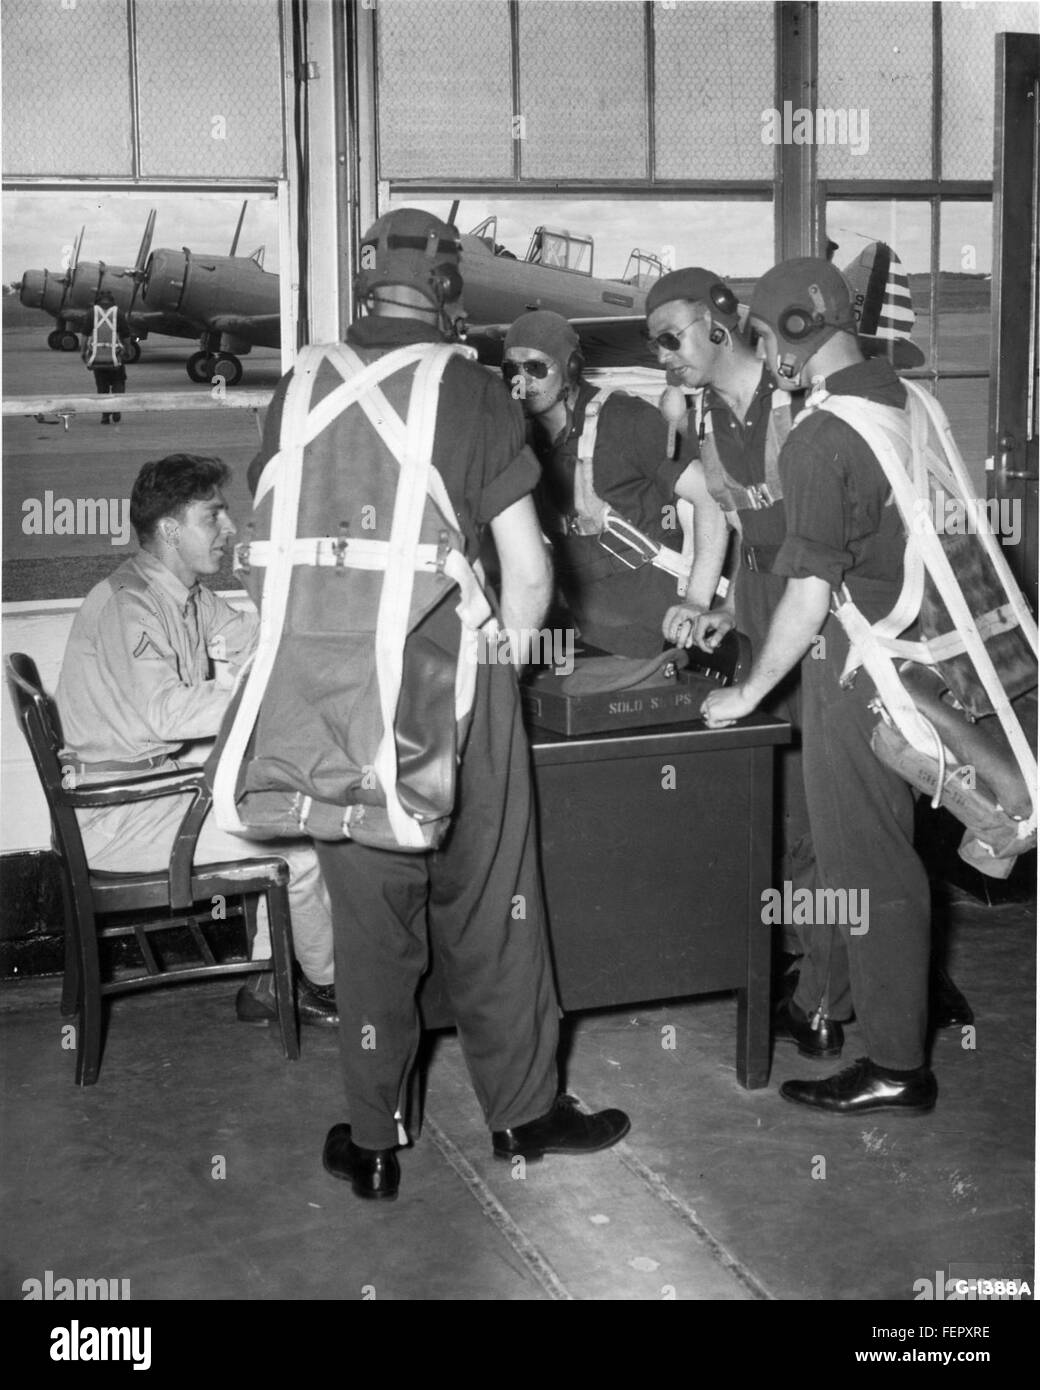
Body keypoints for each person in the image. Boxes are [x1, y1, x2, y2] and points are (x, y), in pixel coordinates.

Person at [246, 209, 629, 1201]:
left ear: (362, 284)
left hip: (325, 694)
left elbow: (271, 554)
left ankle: (374, 1141)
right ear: (451, 289)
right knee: (494, 909)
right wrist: (499, 649)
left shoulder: (298, 385)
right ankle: (522, 1118)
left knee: (372, 933)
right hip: (459, 691)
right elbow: (530, 574)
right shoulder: (469, 391)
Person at [700, 256, 937, 1114]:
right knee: (886, 857)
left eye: (766, 334)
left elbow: (807, 595)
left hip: (852, 667)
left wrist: (749, 692)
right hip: (908, 657)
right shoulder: (900, 404)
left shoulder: (818, 438)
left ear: (797, 329)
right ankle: (894, 1021)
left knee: (864, 866)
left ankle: (898, 1064)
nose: (765, 351)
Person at [55, 454, 337, 1026]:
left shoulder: (181, 594)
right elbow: (165, 713)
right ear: (170, 530)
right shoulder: (130, 605)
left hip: (144, 792)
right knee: (304, 852)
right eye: (214, 517)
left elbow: (256, 639)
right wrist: (263, 699)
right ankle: (327, 987)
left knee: (273, 806)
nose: (229, 528)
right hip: (114, 817)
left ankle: (268, 981)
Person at [502, 309, 724, 658]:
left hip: (660, 638)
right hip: (589, 636)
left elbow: (712, 499)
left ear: (571, 367)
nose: (521, 381)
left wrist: (697, 601)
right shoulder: (523, 441)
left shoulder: (625, 419)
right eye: (511, 370)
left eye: (535, 368)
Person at [82, 291, 127, 425]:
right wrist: (128, 348)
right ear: (112, 300)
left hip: (98, 357)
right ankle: (116, 408)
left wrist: (82, 351)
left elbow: (84, 334)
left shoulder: (91, 313)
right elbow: (126, 334)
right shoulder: (118, 313)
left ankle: (105, 415)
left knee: (102, 386)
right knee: (119, 382)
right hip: (115, 357)